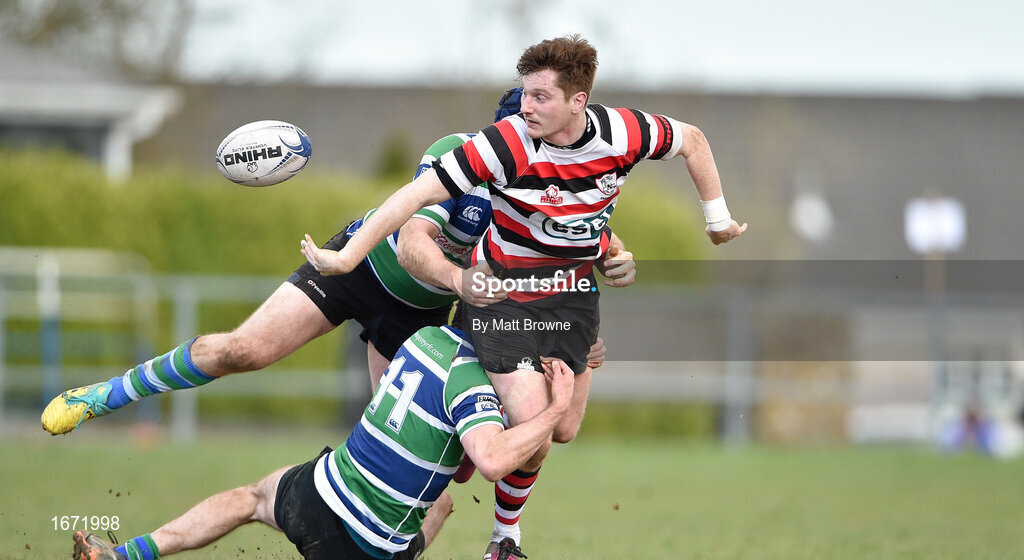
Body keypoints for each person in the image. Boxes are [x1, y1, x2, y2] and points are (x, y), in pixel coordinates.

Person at [299, 34, 746, 559]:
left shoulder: (622, 133)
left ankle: (478, 439)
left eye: (540, 97)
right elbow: (416, 195)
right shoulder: (507, 143)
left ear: (579, 101)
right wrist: (348, 256)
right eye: (525, 94)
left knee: (563, 429)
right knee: (537, 413)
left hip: (572, 295)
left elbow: (691, 139)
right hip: (503, 295)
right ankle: (504, 539)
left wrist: (716, 221)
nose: (526, 107)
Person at [39, 89, 626, 436]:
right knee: (242, 352)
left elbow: (586, 236)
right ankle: (104, 395)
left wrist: (613, 263)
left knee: (413, 464)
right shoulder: (459, 156)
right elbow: (417, 241)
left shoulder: (553, 184)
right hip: (359, 272)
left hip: (418, 323)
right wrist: (460, 280)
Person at [69, 324, 576, 560]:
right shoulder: (473, 386)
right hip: (365, 546)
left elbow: (438, 447)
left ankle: (128, 555)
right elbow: (487, 462)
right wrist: (553, 409)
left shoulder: (426, 338)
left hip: (321, 490)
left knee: (251, 498)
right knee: (437, 509)